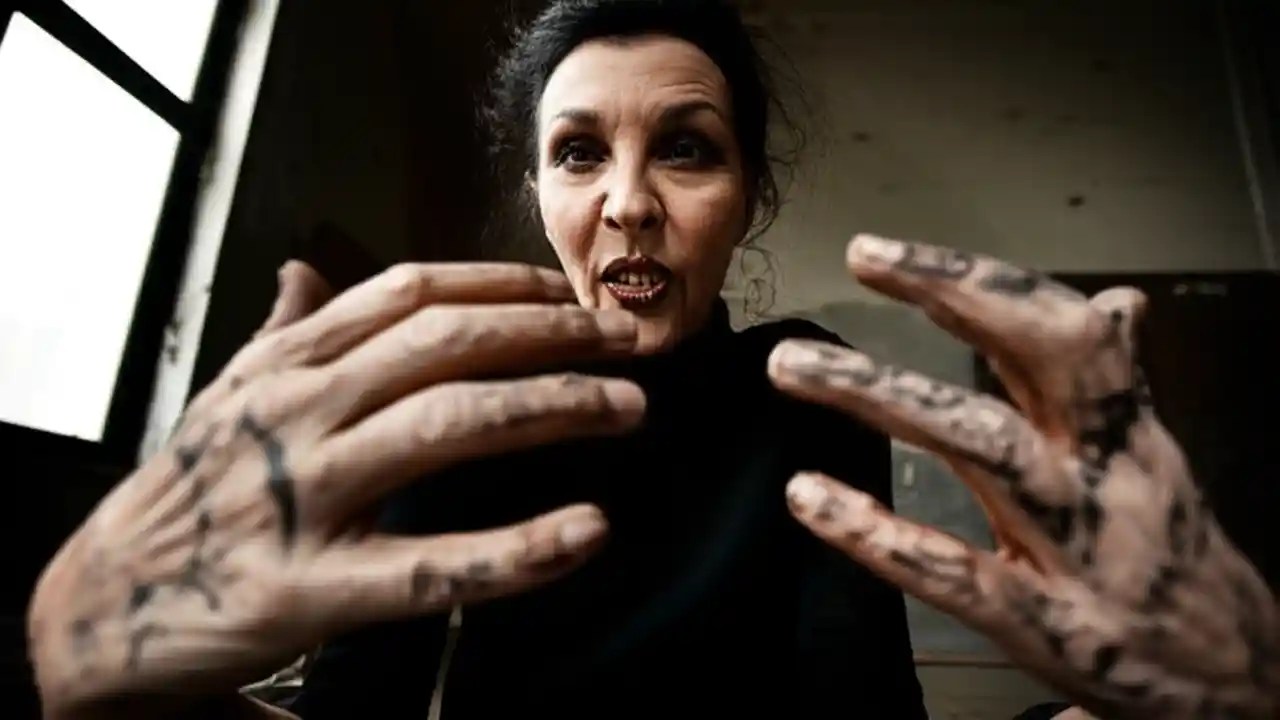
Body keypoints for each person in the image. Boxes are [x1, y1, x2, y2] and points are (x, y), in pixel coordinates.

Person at [24, 2, 1277, 720]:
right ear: (537, 189)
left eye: (684, 150)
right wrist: (79, 674)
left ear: (745, 199)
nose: (627, 204)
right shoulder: (449, 409)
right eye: (578, 155)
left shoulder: (806, 385)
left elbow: (856, 717)